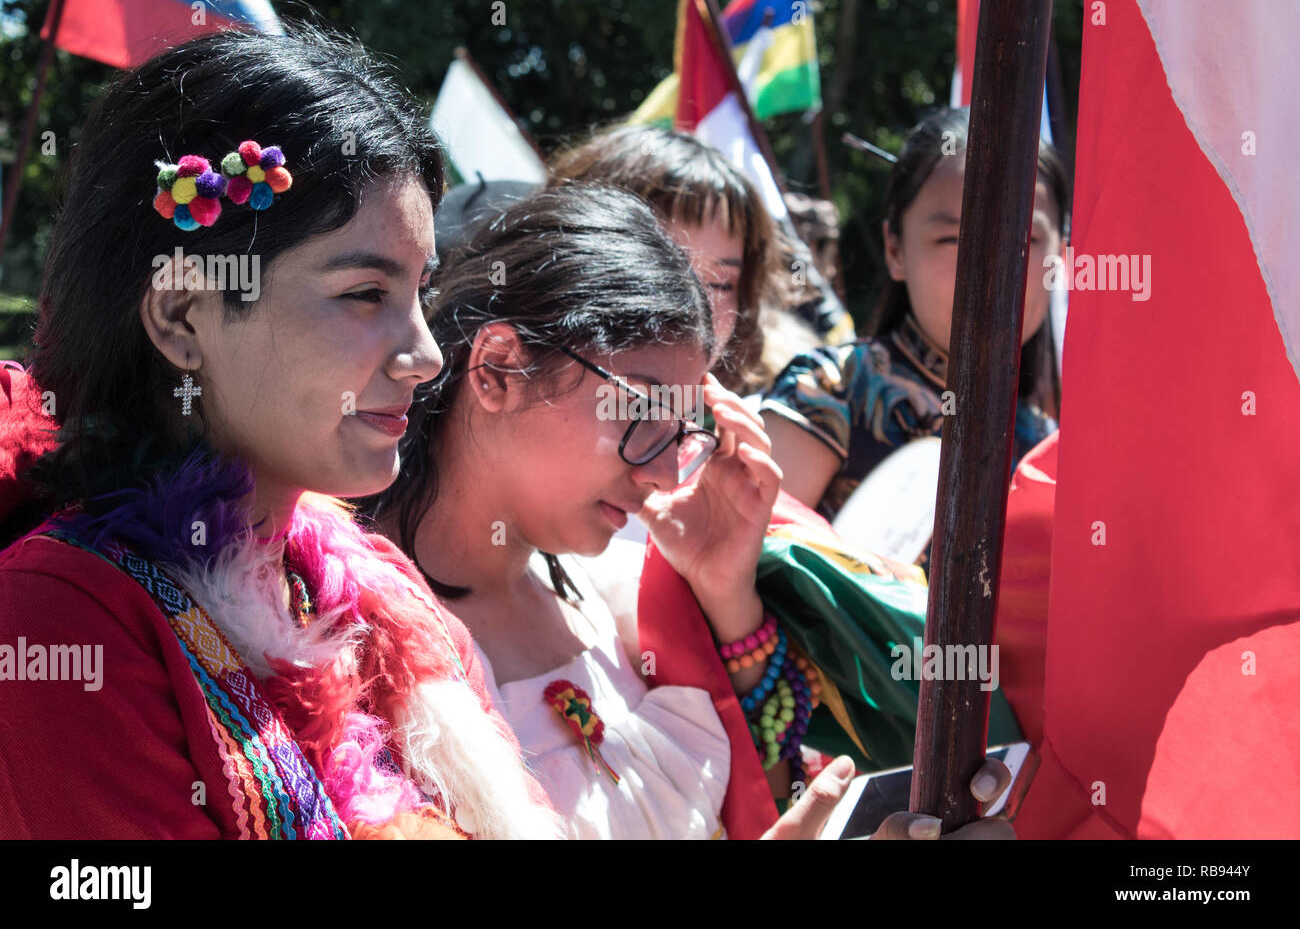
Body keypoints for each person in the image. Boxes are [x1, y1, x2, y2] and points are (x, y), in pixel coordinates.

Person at [0, 23, 560, 839]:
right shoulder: (53, 621)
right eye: (364, 293)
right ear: (183, 315)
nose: (426, 356)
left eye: (418, 293)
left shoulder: (377, 590)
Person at [364, 183, 1014, 839]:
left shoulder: (618, 601)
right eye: (641, 413)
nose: (663, 475)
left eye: (682, 430)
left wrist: (724, 589)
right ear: (499, 369)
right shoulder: (333, 632)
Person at [762, 107, 1066, 540]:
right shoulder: (827, 393)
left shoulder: (1046, 445)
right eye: (953, 239)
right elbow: (744, 575)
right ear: (895, 250)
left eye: (1026, 239)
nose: (992, 270)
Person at [549, 125, 848, 395]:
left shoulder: (774, 416)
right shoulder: (510, 401)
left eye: (721, 284)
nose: (697, 309)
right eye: (663, 269)